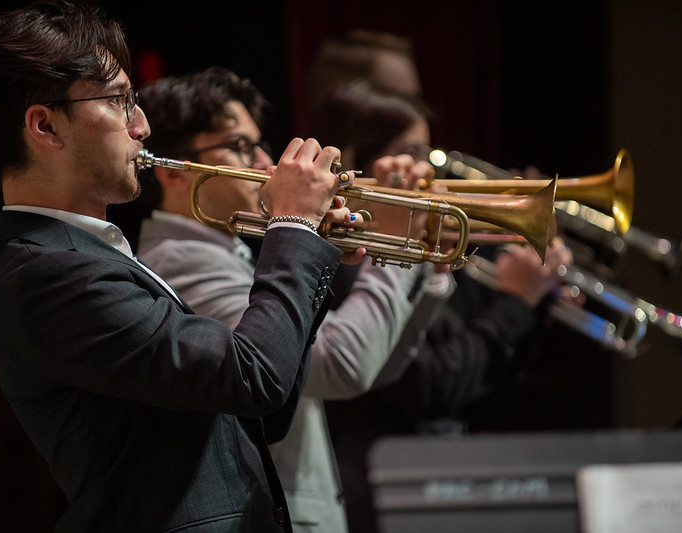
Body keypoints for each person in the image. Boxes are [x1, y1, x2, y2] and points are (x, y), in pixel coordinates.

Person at [0, 2, 363, 531]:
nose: (141, 125)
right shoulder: (48, 274)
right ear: (45, 126)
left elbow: (260, 411)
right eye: (120, 101)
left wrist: (312, 249)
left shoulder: (88, 254)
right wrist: (294, 230)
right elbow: (252, 377)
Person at [135, 67, 455, 533]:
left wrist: (426, 269)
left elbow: (373, 371)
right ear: (174, 170)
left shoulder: (233, 253)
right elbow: (339, 366)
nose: (265, 160)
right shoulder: (180, 262)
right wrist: (385, 236)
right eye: (240, 145)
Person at [309, 79, 573, 532]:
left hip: (430, 472)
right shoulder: (346, 260)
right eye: (410, 152)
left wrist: (534, 300)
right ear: (356, 159)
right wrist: (514, 303)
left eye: (429, 153)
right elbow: (430, 386)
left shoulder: (422, 249)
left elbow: (485, 377)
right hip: (380, 491)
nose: (430, 174)